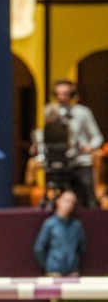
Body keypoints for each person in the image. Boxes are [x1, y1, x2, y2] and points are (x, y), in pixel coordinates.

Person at [42, 80, 104, 208]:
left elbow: (97, 137)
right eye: (58, 94)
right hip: (60, 163)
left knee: (88, 201)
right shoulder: (52, 112)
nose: (62, 97)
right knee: (61, 202)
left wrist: (89, 147)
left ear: (72, 94)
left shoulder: (82, 112)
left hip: (81, 163)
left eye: (65, 94)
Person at [33, 190, 86, 277]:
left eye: (72, 203)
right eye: (66, 201)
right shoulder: (49, 224)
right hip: (54, 271)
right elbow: (39, 248)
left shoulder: (77, 225)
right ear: (59, 201)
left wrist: (75, 261)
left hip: (72, 271)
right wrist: (46, 265)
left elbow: (82, 247)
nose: (68, 205)